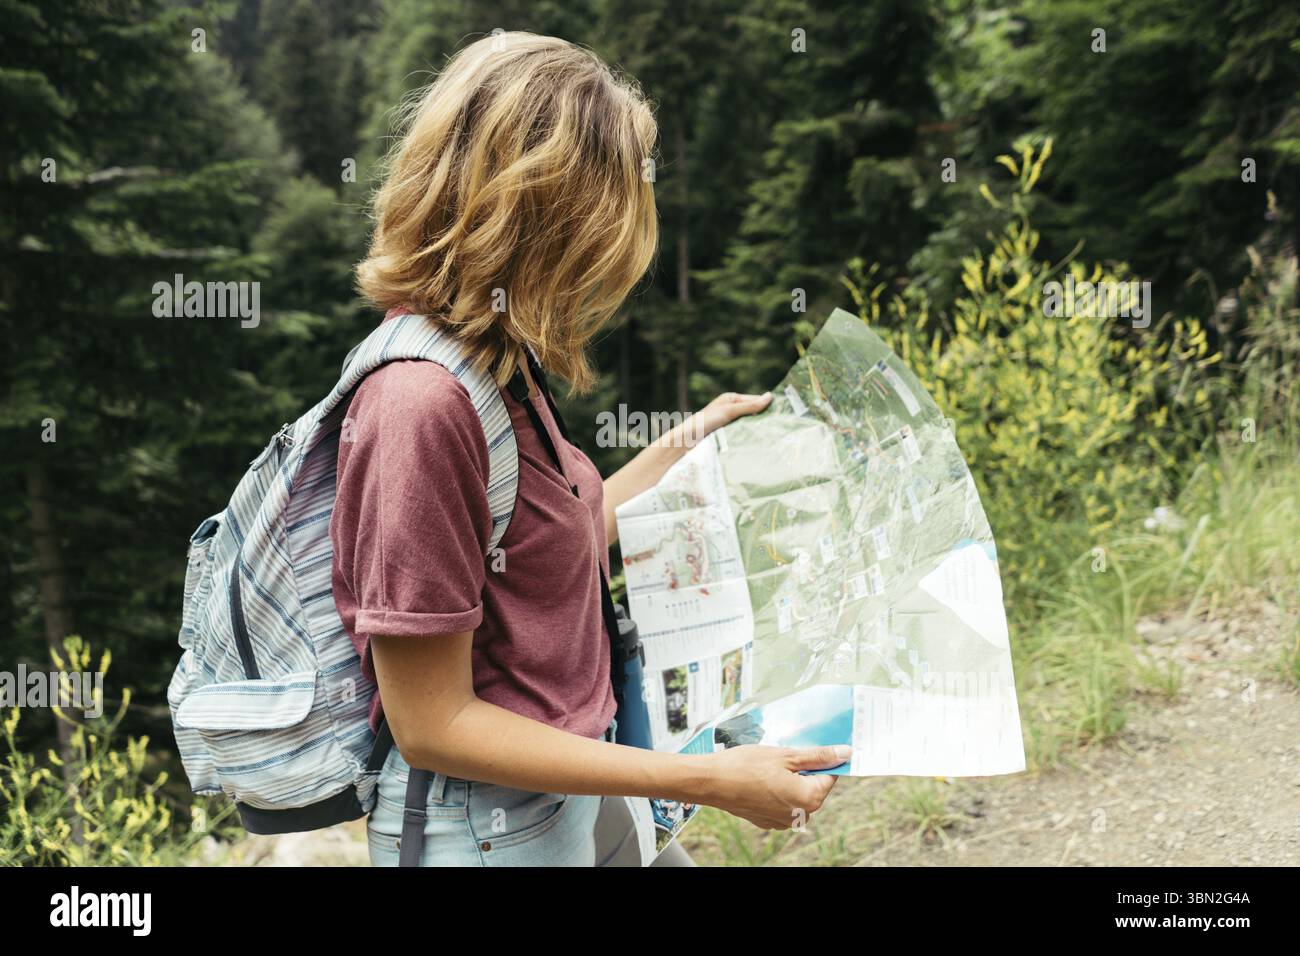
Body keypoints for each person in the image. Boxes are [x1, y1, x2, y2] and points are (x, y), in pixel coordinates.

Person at [331, 31, 846, 868]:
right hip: (489, 836)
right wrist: (707, 781)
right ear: (538, 215)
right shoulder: (418, 407)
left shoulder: (495, 360)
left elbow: (555, 537)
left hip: (582, 790)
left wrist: (692, 437)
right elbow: (432, 723)